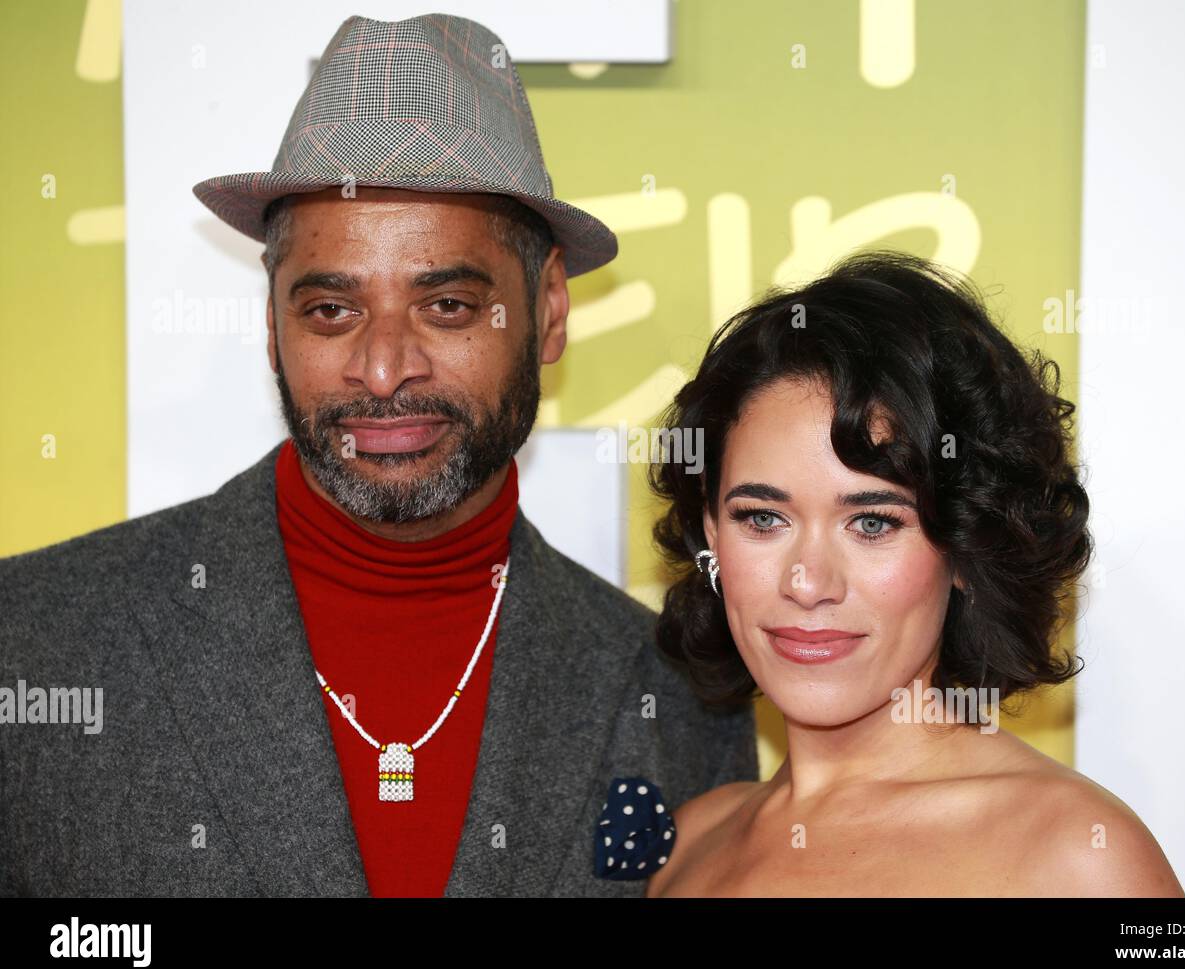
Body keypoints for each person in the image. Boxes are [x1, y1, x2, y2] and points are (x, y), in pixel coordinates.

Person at [0, 12, 756, 897]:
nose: (386, 369)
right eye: (331, 310)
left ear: (549, 310)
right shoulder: (31, 644)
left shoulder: (682, 698)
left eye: (448, 307)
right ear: (272, 326)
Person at [641, 250, 1184, 897]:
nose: (808, 582)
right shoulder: (689, 847)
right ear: (710, 533)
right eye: (763, 518)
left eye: (872, 522)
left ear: (964, 545)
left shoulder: (1077, 857)